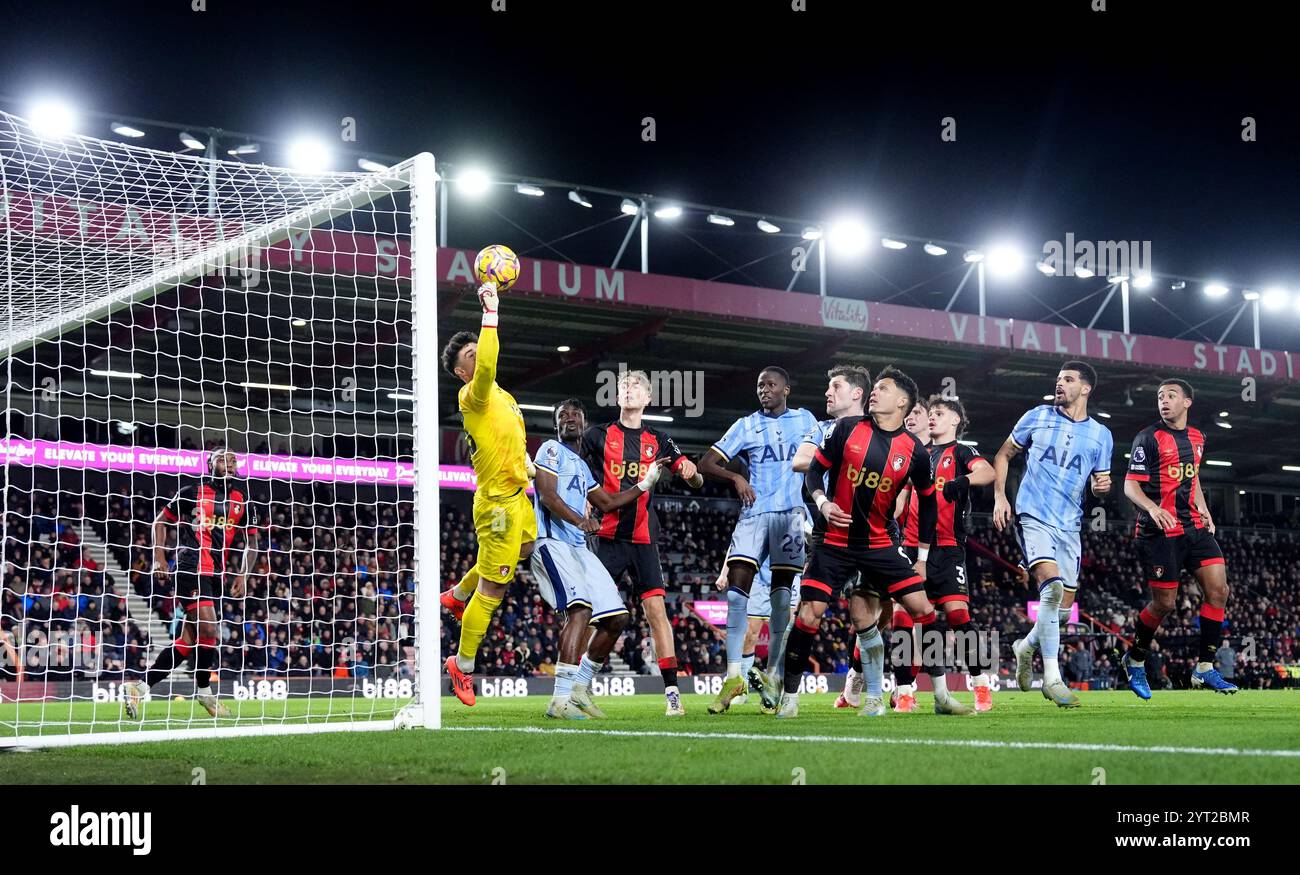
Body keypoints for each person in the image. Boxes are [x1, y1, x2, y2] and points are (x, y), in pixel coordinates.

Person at [784, 366, 971, 718]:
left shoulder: (914, 451)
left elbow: (929, 503)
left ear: (902, 402)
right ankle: (790, 698)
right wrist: (823, 503)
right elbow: (813, 471)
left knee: (923, 610)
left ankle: (941, 696)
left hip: (880, 543)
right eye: (875, 388)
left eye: (882, 388)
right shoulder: (846, 429)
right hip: (834, 540)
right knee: (810, 613)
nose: (874, 392)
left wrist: (923, 556)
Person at [531, 398, 663, 719]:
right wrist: (580, 521)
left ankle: (579, 690)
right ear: (557, 425)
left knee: (617, 618)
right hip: (553, 542)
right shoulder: (550, 449)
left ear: (585, 423)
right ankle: (559, 701)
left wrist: (643, 484)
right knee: (580, 611)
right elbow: (547, 495)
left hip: (579, 549)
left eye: (576, 414)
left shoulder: (582, 466)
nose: (570, 418)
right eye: (563, 415)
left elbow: (607, 502)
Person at [581, 369, 702, 716]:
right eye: (623, 386)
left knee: (656, 613)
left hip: (643, 539)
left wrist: (691, 473)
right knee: (587, 613)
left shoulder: (659, 439)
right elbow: (579, 478)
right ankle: (575, 686)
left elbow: (690, 476)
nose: (628, 390)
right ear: (617, 396)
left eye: (636, 386)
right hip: (605, 538)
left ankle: (672, 694)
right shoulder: (597, 436)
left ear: (648, 398)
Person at [698, 366, 818, 714]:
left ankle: (773, 677)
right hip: (753, 516)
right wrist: (735, 476)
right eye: (759, 385)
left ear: (786, 390)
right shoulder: (745, 425)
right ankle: (734, 675)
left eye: (771, 384)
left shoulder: (805, 420)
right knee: (736, 594)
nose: (764, 390)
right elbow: (706, 463)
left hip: (790, 517)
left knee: (783, 602)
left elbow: (825, 455)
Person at [994, 360, 1114, 708]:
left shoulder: (1101, 435)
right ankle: (1052, 678)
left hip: (1070, 525)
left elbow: (1099, 484)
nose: (1060, 384)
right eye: (1058, 379)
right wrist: (1001, 496)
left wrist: (1102, 486)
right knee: (1052, 589)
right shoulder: (1037, 416)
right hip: (1032, 515)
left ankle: (1026, 646)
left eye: (1068, 380)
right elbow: (1003, 455)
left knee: (1061, 612)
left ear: (1086, 388)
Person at [439, 281, 536, 707]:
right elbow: (489, 365)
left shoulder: (504, 397)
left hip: (519, 494)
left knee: (528, 547)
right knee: (496, 587)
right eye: (469, 356)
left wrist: (527, 465)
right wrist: (491, 311)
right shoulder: (472, 394)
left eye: (477, 348)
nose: (477, 355)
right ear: (463, 371)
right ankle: (462, 664)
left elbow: (509, 439)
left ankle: (458, 595)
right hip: (496, 503)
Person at [123, 446, 260, 720]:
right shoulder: (191, 493)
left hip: (214, 574)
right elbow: (159, 522)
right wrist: (160, 557)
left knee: (189, 640)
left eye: (232, 459)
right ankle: (204, 692)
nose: (229, 462)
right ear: (210, 464)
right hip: (190, 566)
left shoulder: (242, 501)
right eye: (222, 458)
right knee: (210, 631)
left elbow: (253, 543)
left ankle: (139, 687)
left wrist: (243, 574)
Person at [1120, 378, 1236, 698]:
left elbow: (1192, 475)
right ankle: (1136, 659)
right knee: (1165, 604)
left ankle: (1205, 668)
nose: (1164, 400)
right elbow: (1130, 486)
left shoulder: (1198, 437)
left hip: (1194, 528)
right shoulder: (1148, 438)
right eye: (1160, 396)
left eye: (1171, 395)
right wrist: (1152, 508)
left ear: (1187, 402)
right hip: (1159, 533)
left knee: (1219, 590)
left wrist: (1204, 508)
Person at [789, 365, 872, 710]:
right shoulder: (821, 429)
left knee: (871, 617)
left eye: (835, 386)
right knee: (809, 611)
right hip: (829, 532)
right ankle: (788, 696)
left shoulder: (881, 430)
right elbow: (802, 462)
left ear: (857, 393)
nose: (827, 392)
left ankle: (870, 685)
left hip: (874, 535)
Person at [918, 396, 998, 710]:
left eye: (939, 413)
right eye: (931, 413)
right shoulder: (918, 453)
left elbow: (987, 473)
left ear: (954, 420)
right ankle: (936, 693)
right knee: (923, 620)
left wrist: (961, 480)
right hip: (916, 548)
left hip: (950, 548)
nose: (932, 417)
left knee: (958, 615)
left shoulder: (962, 451)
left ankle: (980, 685)